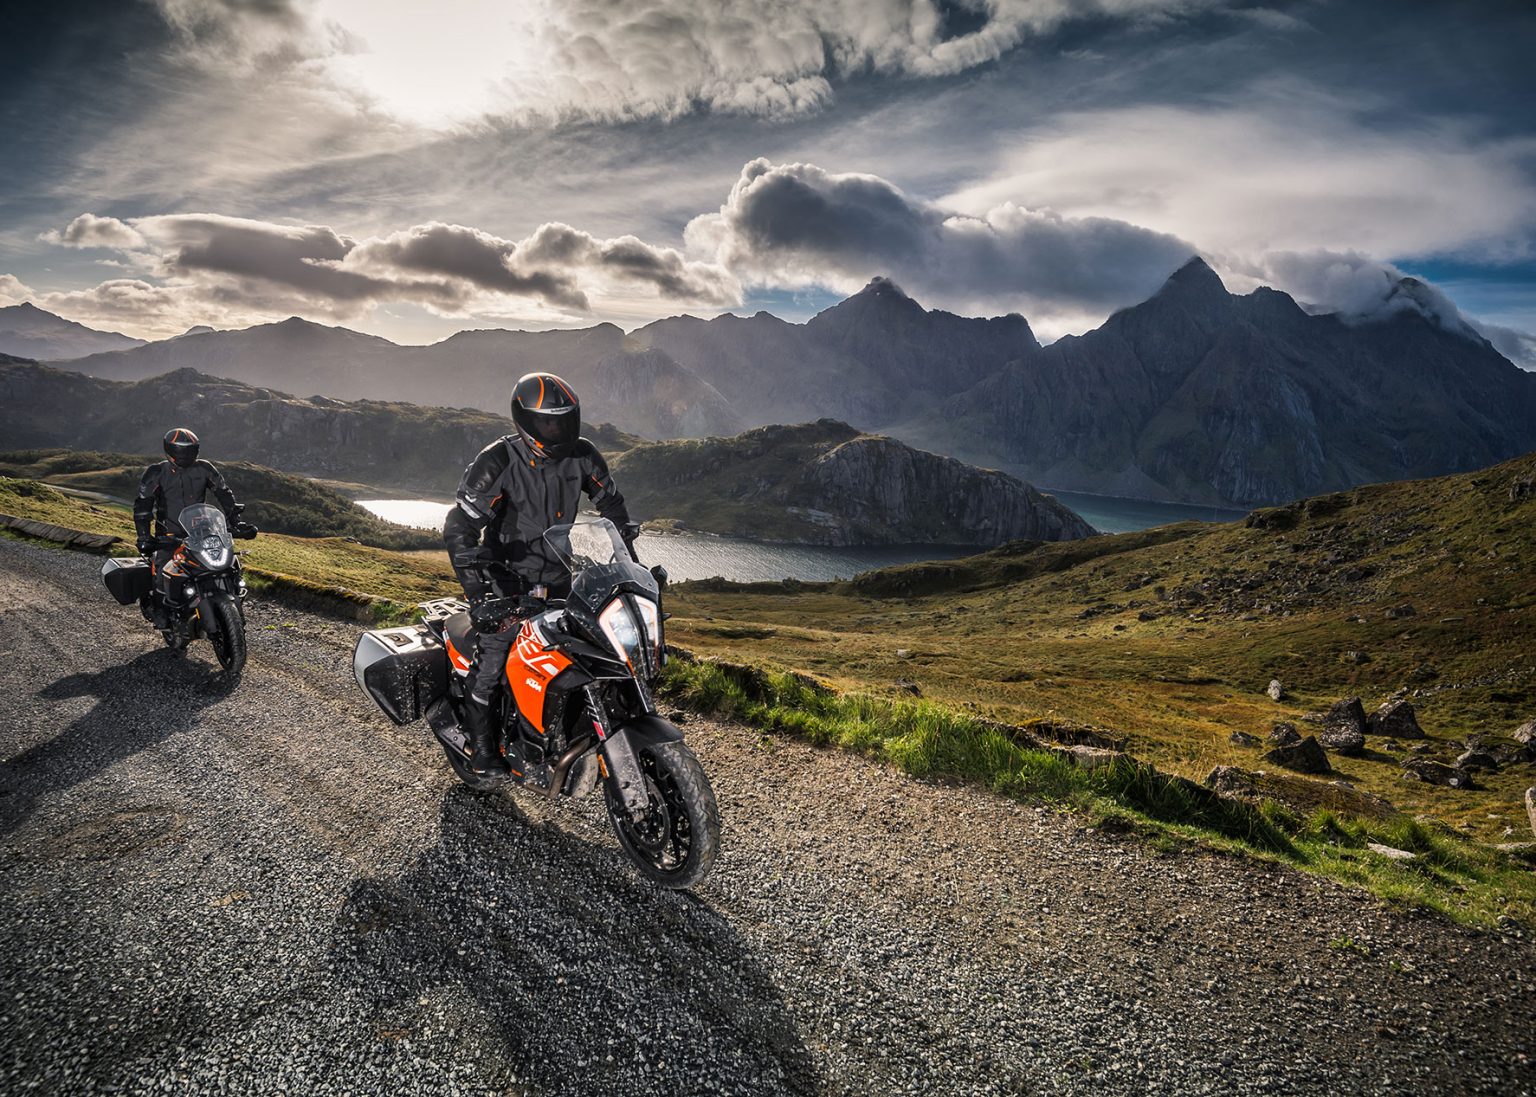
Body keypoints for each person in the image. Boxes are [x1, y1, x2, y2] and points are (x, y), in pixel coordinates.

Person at [443, 372, 637, 776]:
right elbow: (460, 526)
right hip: (505, 580)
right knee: (493, 659)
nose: (557, 430)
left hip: (561, 575)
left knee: (599, 648)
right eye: (548, 423)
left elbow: (612, 506)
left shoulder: (583, 455)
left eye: (564, 421)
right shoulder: (497, 461)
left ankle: (583, 727)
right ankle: (482, 750)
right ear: (525, 420)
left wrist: (630, 564)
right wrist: (480, 596)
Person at [133, 428, 253, 627]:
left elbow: (224, 494)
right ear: (170, 450)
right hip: (168, 533)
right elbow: (143, 506)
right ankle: (162, 612)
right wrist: (144, 536)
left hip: (202, 530)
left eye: (190, 449)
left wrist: (236, 522)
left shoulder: (205, 468)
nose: (185, 454)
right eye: (181, 450)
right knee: (164, 570)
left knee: (227, 563)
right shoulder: (156, 472)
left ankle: (231, 605)